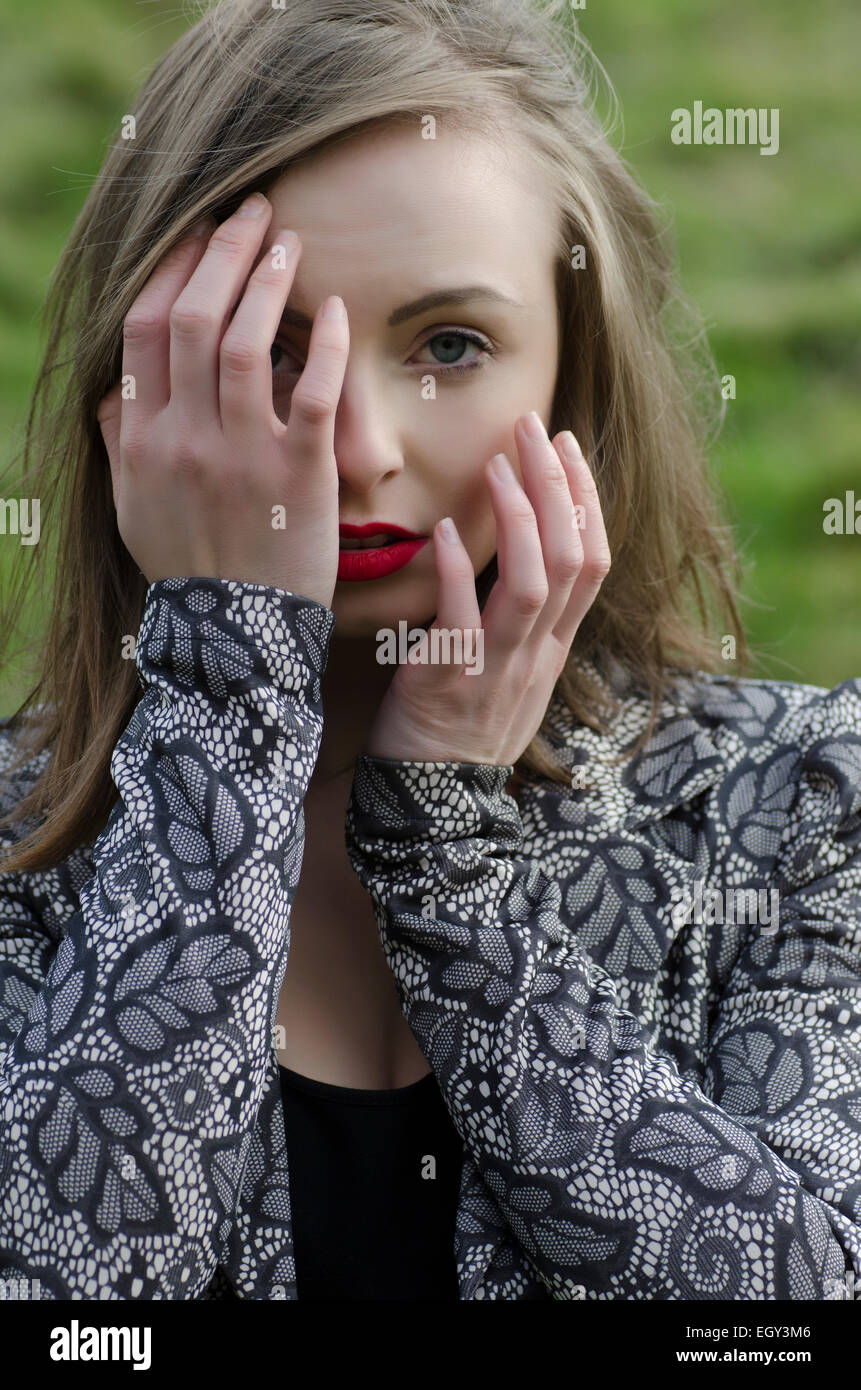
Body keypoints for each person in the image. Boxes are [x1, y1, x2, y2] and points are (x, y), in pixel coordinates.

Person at [0, 0, 859, 1302]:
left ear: (575, 379)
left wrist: (450, 851)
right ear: (140, 383)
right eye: (268, 352)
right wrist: (227, 688)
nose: (356, 452)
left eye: (449, 344)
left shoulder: (798, 805)